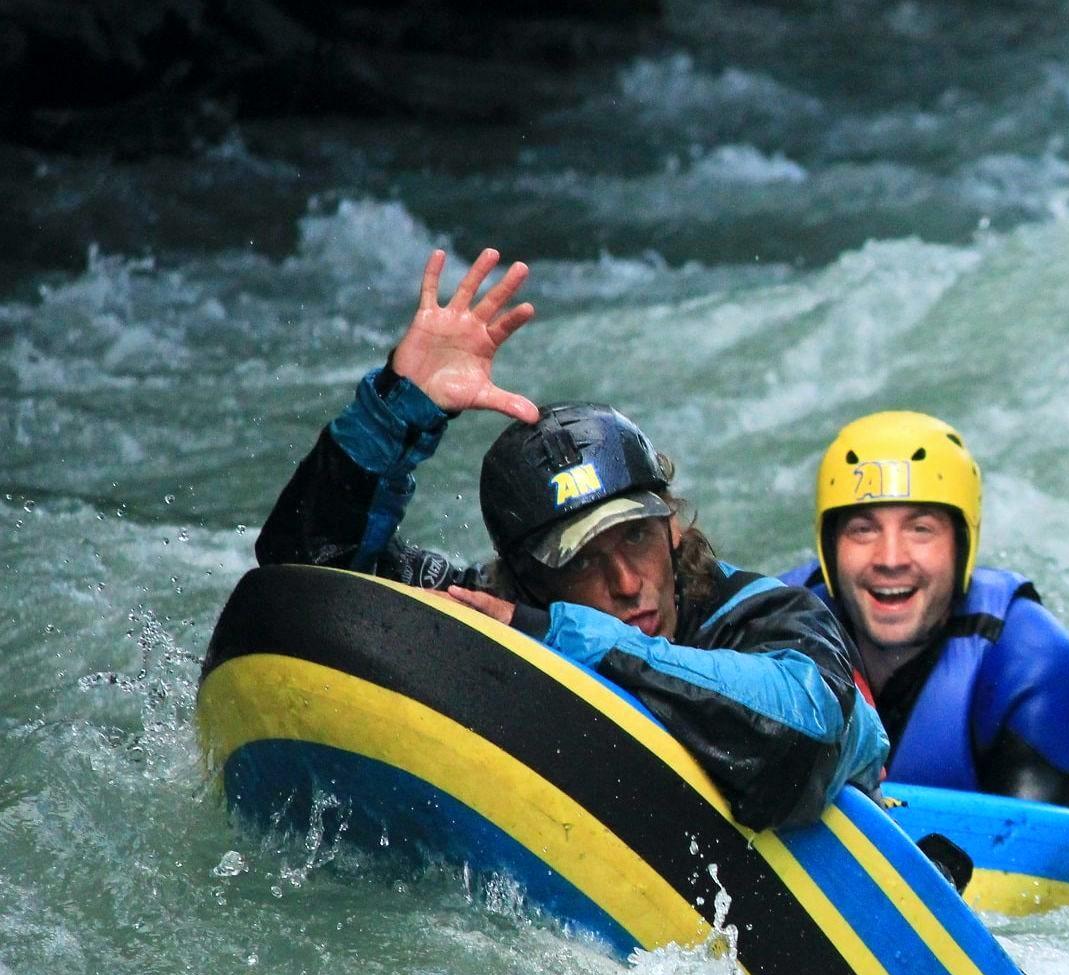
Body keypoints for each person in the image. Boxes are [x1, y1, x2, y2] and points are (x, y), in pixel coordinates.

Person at [256, 247, 887, 830]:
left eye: (636, 538)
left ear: (671, 528)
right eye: (581, 561)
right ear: (527, 579)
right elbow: (305, 580)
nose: (627, 584)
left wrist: (561, 638)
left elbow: (797, 739)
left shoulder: (768, 617)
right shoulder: (497, 613)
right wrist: (396, 410)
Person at [777, 411, 1069, 814]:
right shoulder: (773, 627)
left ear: (961, 545)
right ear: (830, 548)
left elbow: (1028, 850)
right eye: (863, 530)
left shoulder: (1033, 664)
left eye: (920, 529)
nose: (890, 558)